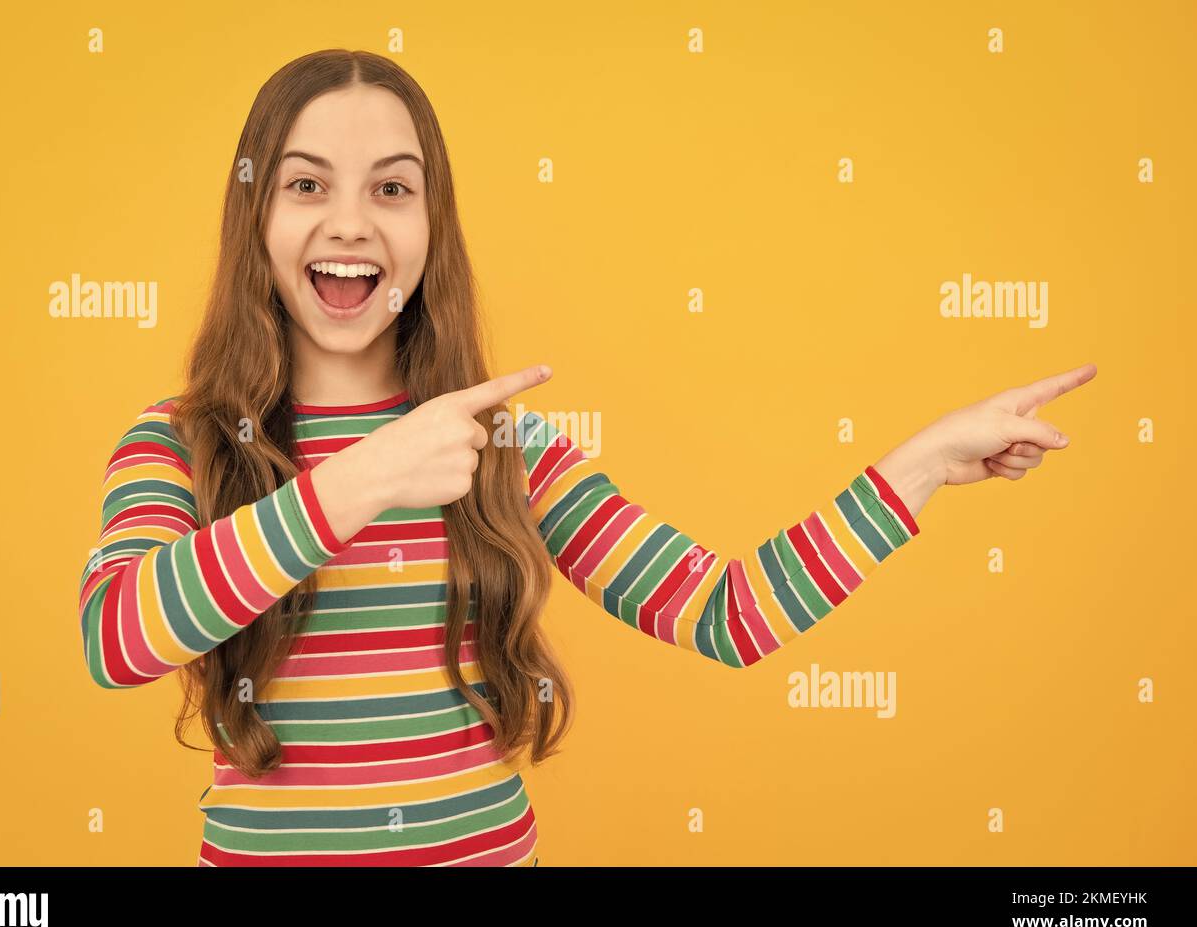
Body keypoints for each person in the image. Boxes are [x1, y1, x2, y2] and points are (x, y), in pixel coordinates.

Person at [77, 49, 1097, 866]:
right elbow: (116, 637)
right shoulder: (180, 439)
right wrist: (366, 478)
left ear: (431, 227)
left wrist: (916, 465)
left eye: (393, 188)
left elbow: (723, 613)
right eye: (307, 184)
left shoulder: (503, 446)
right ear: (255, 213)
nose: (350, 222)